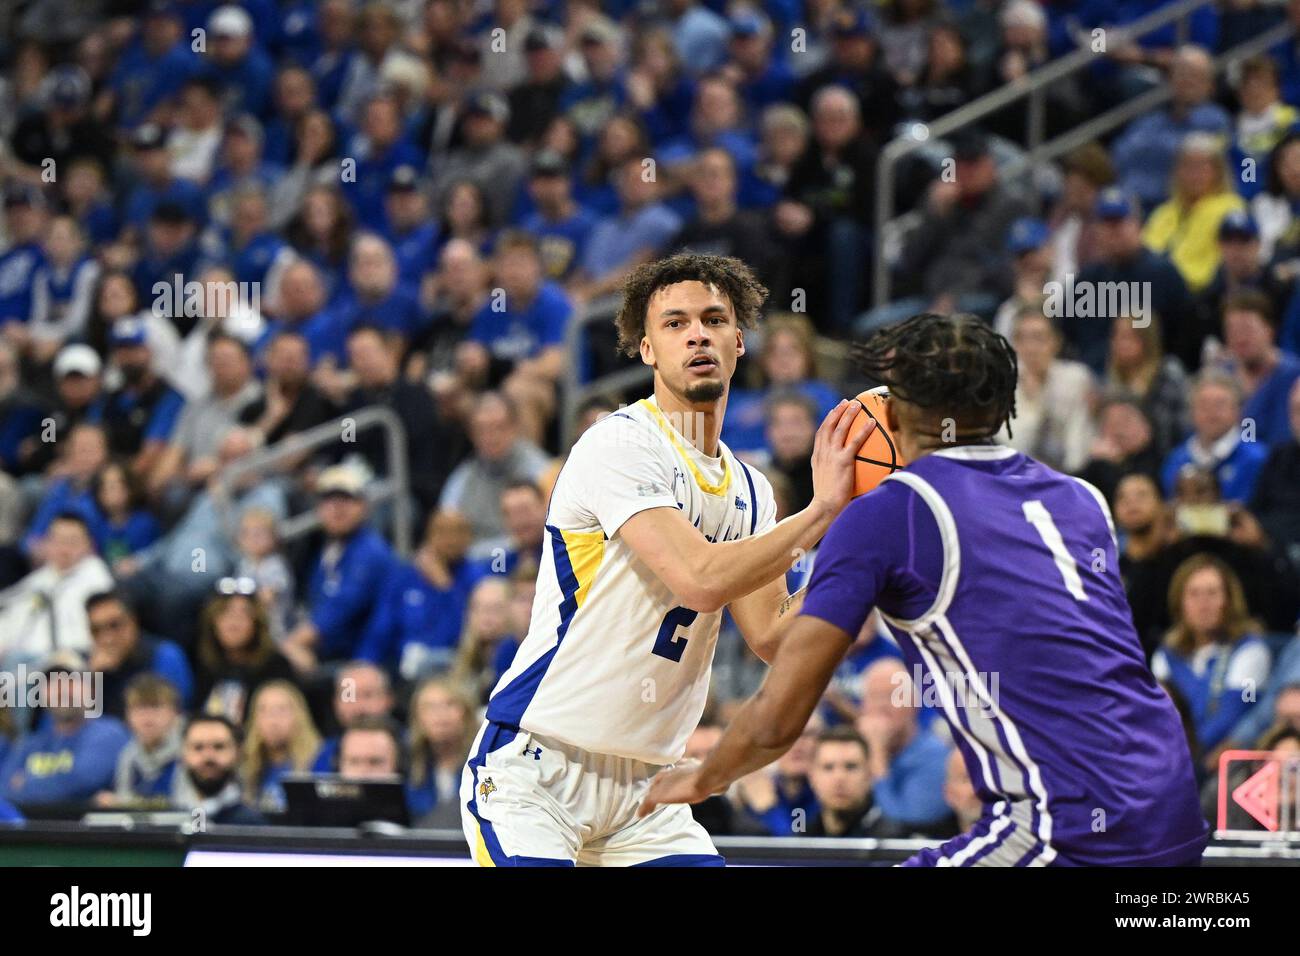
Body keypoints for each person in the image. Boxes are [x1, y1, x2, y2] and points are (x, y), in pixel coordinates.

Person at [641, 312, 1209, 867]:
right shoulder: (1082, 498)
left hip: (1063, 822)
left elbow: (780, 714)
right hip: (1171, 797)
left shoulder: (895, 513)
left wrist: (703, 778)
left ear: (892, 410)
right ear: (1003, 404)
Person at [461, 252, 870, 867]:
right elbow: (699, 580)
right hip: (535, 771)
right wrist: (822, 512)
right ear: (647, 349)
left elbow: (775, 639)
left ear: (739, 341)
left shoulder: (751, 490)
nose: (697, 333)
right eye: (675, 324)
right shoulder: (620, 443)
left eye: (713, 319)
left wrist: (863, 541)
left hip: (645, 792)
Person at [1152, 555, 1272, 760]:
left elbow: (1238, 710)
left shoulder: (1251, 652)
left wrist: (1190, 755)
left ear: (1229, 600)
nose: (1203, 604)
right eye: (1194, 594)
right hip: (1175, 760)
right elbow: (1159, 719)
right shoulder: (1164, 657)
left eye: (1212, 593)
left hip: (1226, 762)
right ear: (1180, 603)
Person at [1, 667, 130, 808]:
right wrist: (83, 798)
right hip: (32, 827)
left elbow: (85, 779)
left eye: (70, 681)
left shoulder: (109, 732)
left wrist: (26, 783)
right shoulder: (31, 743)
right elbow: (5, 790)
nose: (61, 690)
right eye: (51, 683)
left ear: (91, 690)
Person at [85, 590, 193, 719]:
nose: (107, 638)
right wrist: (92, 679)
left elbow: (174, 715)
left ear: (133, 621)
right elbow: (85, 725)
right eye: (96, 630)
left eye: (114, 625)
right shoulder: (93, 666)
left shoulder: (164, 656)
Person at [804, 725, 910, 837]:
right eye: (828, 767)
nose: (840, 778)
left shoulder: (895, 842)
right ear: (811, 777)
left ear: (869, 775)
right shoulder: (800, 842)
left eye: (851, 767)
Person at [170, 715, 267, 826]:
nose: (208, 756)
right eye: (198, 747)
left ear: (237, 753)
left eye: (219, 747)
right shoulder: (165, 821)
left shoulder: (253, 825)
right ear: (183, 755)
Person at [107, 674, 183, 807]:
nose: (147, 717)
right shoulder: (128, 756)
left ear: (175, 712)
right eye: (139, 708)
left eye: (156, 707)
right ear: (127, 715)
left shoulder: (190, 751)